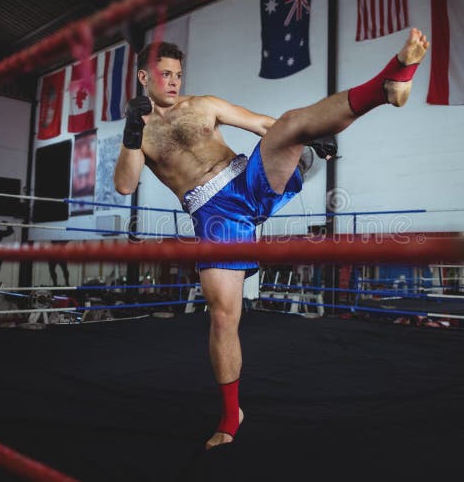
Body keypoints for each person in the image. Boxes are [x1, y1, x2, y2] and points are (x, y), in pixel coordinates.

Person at [114, 28, 429, 450]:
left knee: (291, 124)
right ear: (143, 78)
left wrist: (307, 136)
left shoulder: (203, 105)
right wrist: (133, 131)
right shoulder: (141, 131)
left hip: (246, 179)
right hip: (213, 215)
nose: (173, 81)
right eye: (166, 74)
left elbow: (264, 123)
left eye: (177, 74)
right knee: (224, 317)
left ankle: (387, 85)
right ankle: (231, 416)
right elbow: (124, 185)